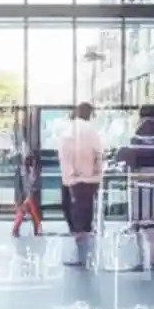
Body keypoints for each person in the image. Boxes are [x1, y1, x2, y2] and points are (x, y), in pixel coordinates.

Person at [118, 107, 154, 271]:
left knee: (139, 222)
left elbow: (128, 157)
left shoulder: (136, 136)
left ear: (140, 117)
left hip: (140, 182)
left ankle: (138, 259)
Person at [57, 102, 103, 268]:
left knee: (75, 214)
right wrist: (97, 173)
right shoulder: (92, 131)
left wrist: (69, 176)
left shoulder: (69, 131)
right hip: (90, 179)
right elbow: (99, 153)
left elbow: (65, 156)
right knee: (86, 213)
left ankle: (80, 254)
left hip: (75, 179)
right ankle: (86, 253)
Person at [12, 154, 41, 237]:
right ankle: (37, 228)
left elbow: (37, 185)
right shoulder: (20, 171)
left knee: (30, 211)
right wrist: (20, 199)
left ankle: (16, 229)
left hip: (31, 197)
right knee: (27, 212)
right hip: (23, 197)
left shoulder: (35, 172)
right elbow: (18, 186)